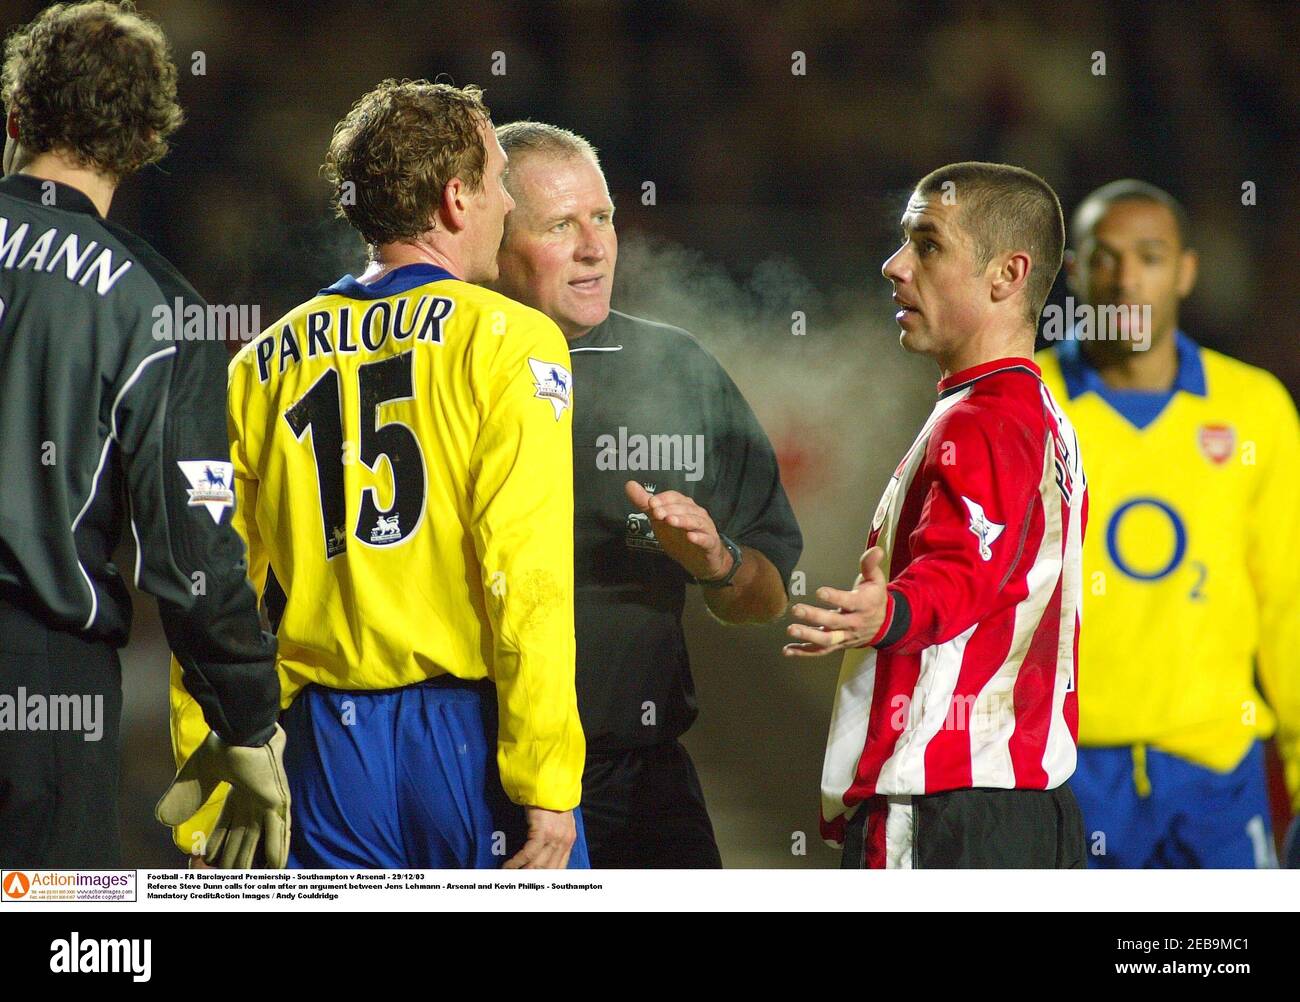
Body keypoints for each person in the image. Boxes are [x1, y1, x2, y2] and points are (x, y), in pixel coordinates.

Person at [169, 81, 589, 868]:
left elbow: (212, 588)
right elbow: (524, 576)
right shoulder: (510, 341)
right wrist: (546, 777)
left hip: (324, 750)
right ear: (458, 198)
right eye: (500, 178)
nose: (507, 200)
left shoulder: (259, 365)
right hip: (468, 740)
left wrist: (211, 772)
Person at [0, 0, 288, 869]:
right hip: (42, 682)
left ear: (14, 114)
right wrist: (246, 716)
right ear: (142, 147)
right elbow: (191, 558)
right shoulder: (157, 309)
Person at [491, 121, 802, 868]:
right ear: (489, 241)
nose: (595, 247)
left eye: (602, 218)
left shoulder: (676, 367)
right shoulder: (443, 376)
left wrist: (717, 562)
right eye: (560, 225)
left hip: (640, 783)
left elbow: (766, 596)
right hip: (483, 785)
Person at [789, 162, 1088, 869]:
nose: (894, 267)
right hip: (1027, 809)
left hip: (944, 809)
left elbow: (961, 571)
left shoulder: (984, 419)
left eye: (927, 245)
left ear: (1007, 275)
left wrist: (889, 613)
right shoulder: (1042, 414)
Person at [1038, 179, 1300, 868]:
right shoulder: (1024, 403)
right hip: (1064, 771)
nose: (1127, 279)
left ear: (1185, 271)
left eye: (1150, 256)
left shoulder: (1254, 408)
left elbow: (1288, 602)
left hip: (1216, 773)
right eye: (1105, 257)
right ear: (1074, 272)